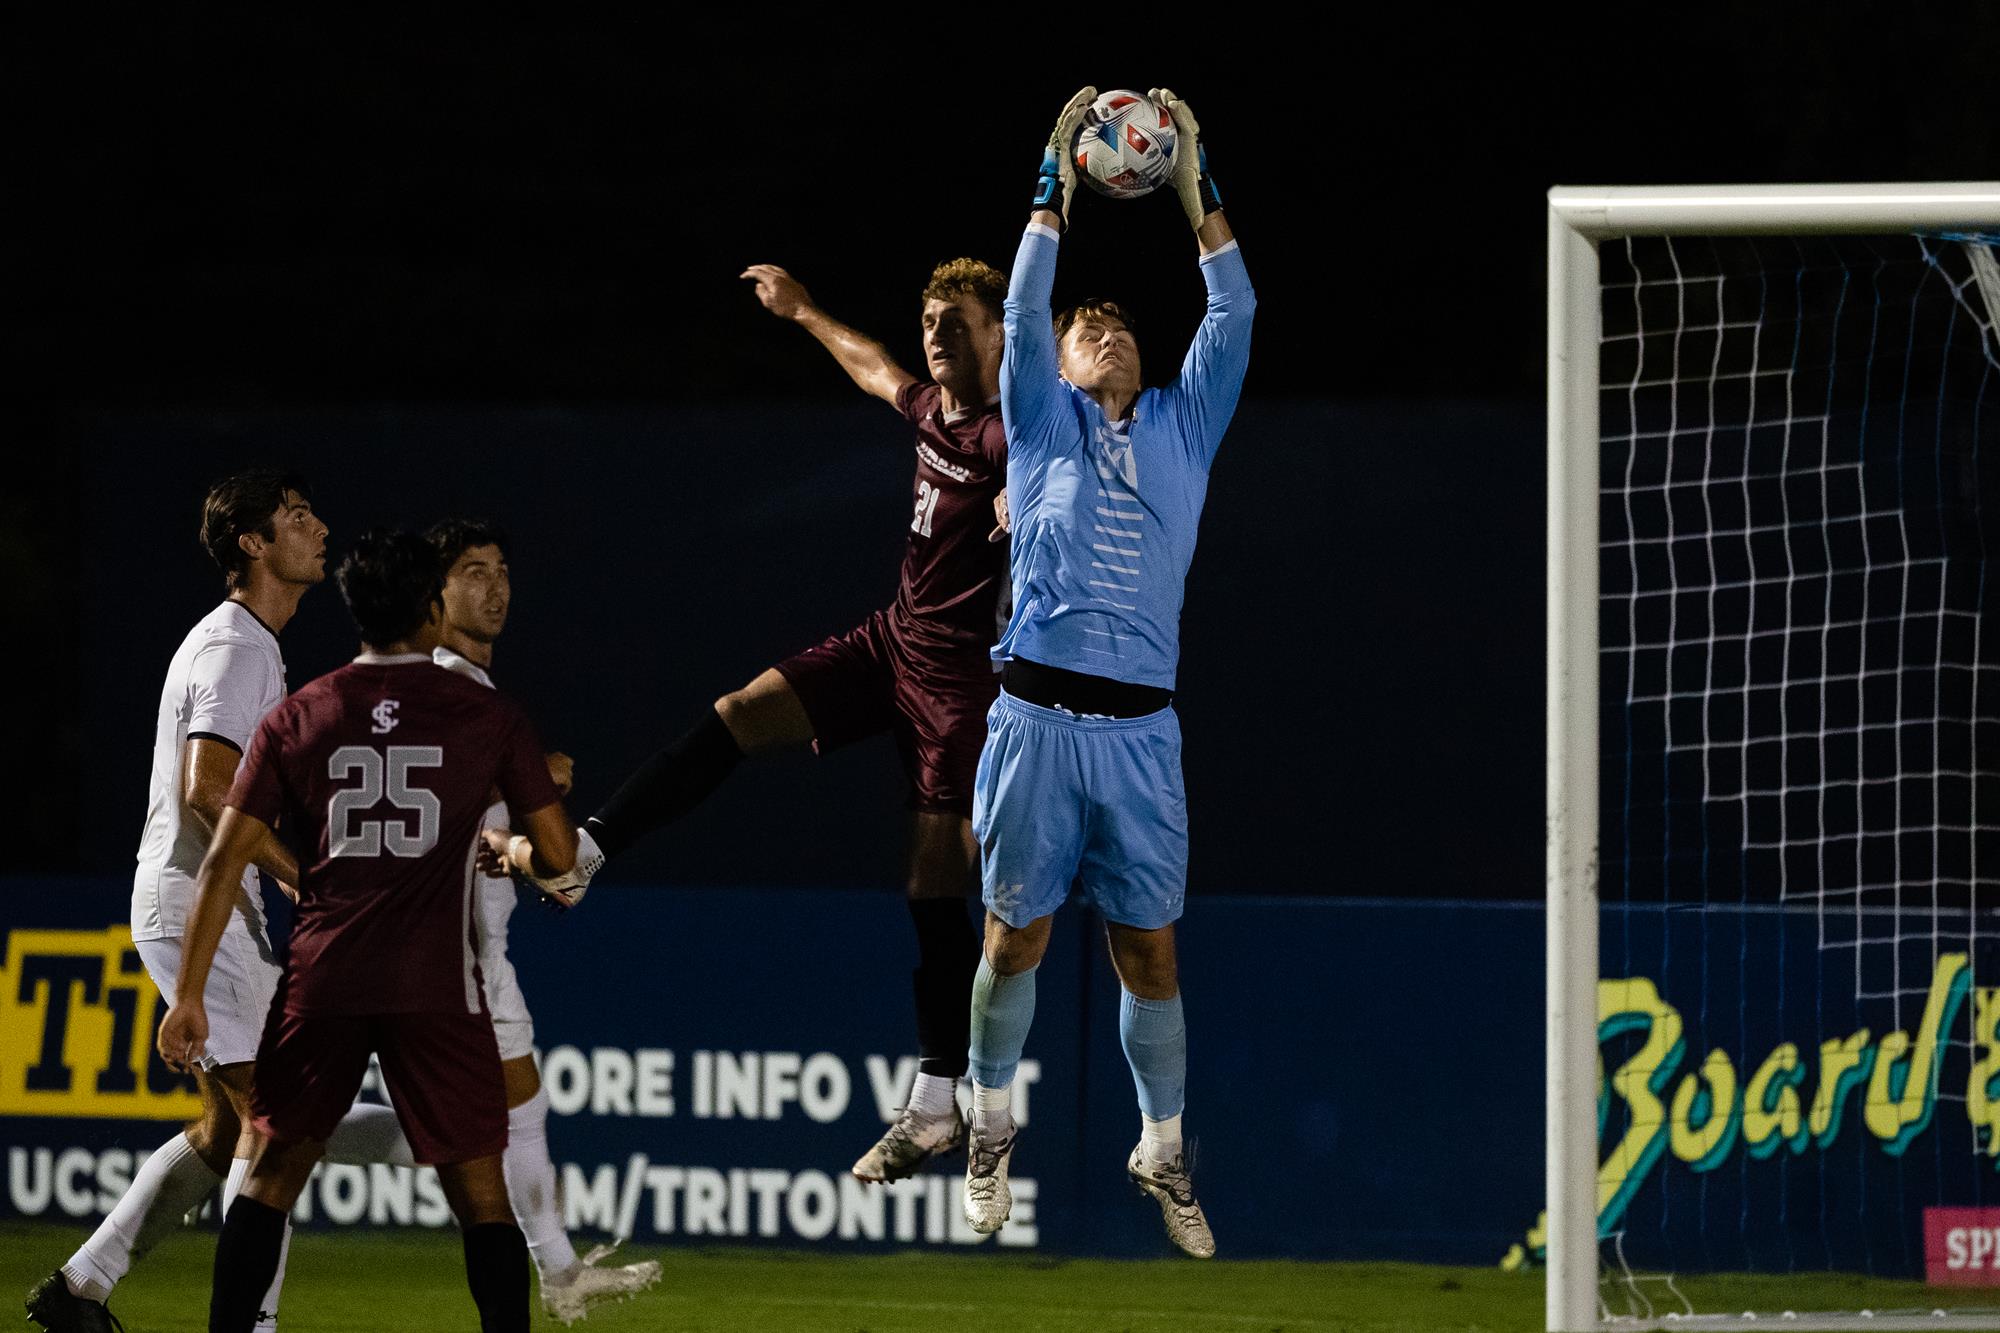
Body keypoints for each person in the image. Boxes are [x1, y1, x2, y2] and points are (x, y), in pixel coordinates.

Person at [532, 257, 1012, 1183]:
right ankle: (589, 852)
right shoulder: (929, 411)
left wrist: (1028, 499)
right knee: (740, 711)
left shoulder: (1013, 438)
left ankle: (938, 1097)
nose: (936, 336)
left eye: (956, 321)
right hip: (890, 645)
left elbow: (1061, 469)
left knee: (932, 888)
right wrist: (801, 311)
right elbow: (872, 364)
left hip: (960, 687)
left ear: (1000, 333)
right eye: (929, 320)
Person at [960, 87, 1253, 1260]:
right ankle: (986, 1126)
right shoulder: (1037, 424)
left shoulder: (1185, 425)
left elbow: (1233, 304)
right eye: (1092, 332)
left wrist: (1191, 187)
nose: (1111, 335)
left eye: (1124, 329)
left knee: (1150, 953)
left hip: (1140, 735)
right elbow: (1024, 305)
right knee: (1012, 939)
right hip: (1034, 718)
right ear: (1058, 363)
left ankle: (1162, 1145)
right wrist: (1051, 184)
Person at [156, 529, 579, 1333]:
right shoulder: (485, 713)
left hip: (325, 977)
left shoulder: (298, 713)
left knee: (273, 1175)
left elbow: (222, 861)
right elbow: (556, 854)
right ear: (430, 607)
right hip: (435, 985)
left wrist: (188, 997)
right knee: (481, 1195)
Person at [27, 471, 408, 1333]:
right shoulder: (235, 646)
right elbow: (207, 788)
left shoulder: (251, 643)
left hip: (200, 905)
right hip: (193, 904)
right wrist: (296, 871)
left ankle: (79, 1290)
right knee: (274, 1128)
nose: (320, 525)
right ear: (253, 543)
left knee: (222, 1130)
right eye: (298, 515)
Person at [425, 518, 661, 1323]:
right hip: (450, 953)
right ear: (435, 592)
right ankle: (261, 1154)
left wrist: (513, 797)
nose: (493, 586)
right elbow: (549, 861)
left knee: (519, 1104)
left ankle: (559, 1270)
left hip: (478, 946)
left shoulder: (455, 688)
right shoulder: (453, 686)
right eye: (470, 570)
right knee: (469, 1139)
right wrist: (525, 808)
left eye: (500, 569)